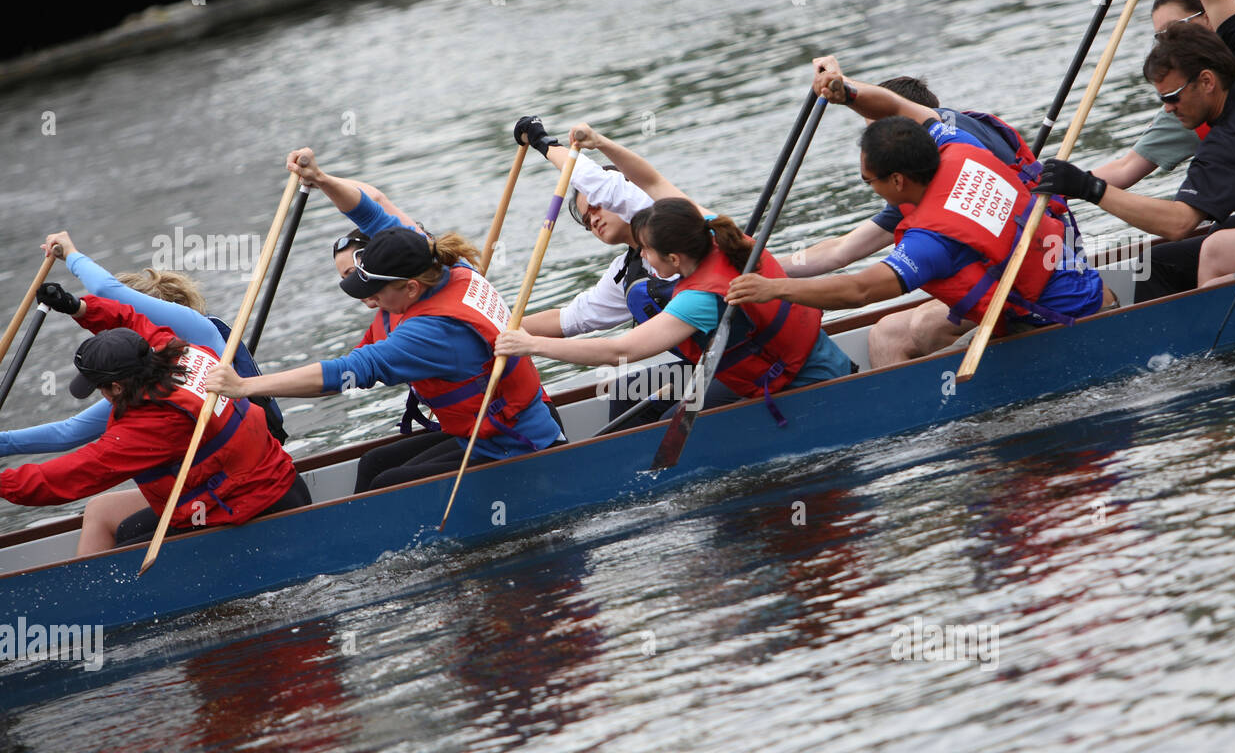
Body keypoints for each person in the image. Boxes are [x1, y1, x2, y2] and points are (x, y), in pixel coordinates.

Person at [728, 70, 1106, 367]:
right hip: (1081, 285)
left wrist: (774, 289)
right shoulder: (960, 146)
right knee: (899, 334)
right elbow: (895, 104)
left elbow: (859, 290)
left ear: (897, 180)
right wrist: (847, 93)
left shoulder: (931, 241)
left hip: (1054, 323)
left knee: (934, 388)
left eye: (869, 181)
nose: (870, 188)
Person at [206, 217, 564, 492]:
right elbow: (374, 212)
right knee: (374, 463)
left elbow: (342, 374)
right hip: (494, 435)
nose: (370, 298)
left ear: (410, 287)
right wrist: (320, 179)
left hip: (519, 446)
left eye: (376, 289)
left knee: (387, 484)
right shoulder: (453, 270)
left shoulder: (429, 332)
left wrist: (245, 386)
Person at [0, 231, 289, 551]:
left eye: (100, 388)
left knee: (124, 548)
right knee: (118, 524)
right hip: (266, 481)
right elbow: (129, 317)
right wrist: (77, 307)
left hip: (250, 505)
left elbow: (66, 477)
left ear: (117, 386)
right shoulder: (178, 352)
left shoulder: (152, 424)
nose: (101, 396)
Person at [1034, 0, 1235, 295]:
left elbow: (1178, 222)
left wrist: (1089, 188)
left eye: (1173, 97)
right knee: (1211, 250)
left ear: (1206, 81)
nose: (1168, 108)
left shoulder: (1229, 146)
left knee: (1208, 277)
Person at [495, 197, 856, 423]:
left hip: (800, 377)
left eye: (646, 251)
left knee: (675, 418)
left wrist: (532, 345)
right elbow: (654, 181)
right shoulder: (706, 234)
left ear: (672, 258)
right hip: (748, 364)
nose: (643, 257)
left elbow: (619, 351)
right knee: (627, 391)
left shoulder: (698, 295)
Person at [511, 117, 742, 423]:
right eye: (586, 220)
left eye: (596, 205)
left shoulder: (665, 218)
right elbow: (571, 318)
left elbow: (611, 184)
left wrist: (543, 142)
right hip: (708, 362)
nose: (593, 218)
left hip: (747, 362)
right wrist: (498, 329)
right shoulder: (626, 272)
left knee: (670, 418)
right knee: (625, 392)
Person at [776, 66, 1040, 279]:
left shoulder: (931, 171)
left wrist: (771, 273)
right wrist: (769, 265)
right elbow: (839, 250)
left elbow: (843, 256)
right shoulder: (955, 130)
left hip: (1026, 263)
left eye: (878, 132)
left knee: (893, 328)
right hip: (1040, 238)